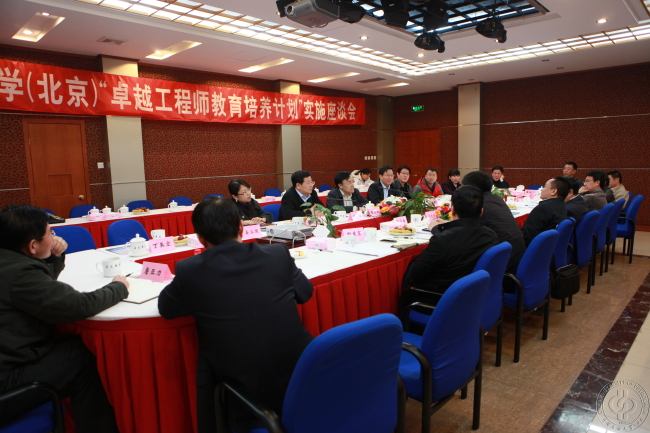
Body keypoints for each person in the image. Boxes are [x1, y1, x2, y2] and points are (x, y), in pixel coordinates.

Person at [158, 198, 313, 433]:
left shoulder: (190, 270)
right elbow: (305, 292)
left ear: (200, 238)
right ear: (241, 227)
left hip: (244, 394)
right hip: (302, 379)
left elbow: (167, 308)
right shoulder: (277, 254)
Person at [0, 205, 127, 432]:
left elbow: (41, 288)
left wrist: (53, 255)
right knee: (82, 354)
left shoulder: (9, 260)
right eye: (50, 233)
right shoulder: (19, 274)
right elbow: (78, 305)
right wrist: (118, 287)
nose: (54, 237)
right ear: (32, 245)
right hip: (7, 384)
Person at [406, 186, 498, 300]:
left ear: (452, 211)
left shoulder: (442, 241)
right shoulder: (490, 235)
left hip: (441, 299)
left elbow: (417, 273)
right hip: (474, 295)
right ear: (481, 212)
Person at [462, 171, 525, 273]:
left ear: (470, 189)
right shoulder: (497, 199)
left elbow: (465, 231)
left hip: (502, 265)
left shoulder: (477, 204)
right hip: (516, 258)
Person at [521, 177, 568, 246]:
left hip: (534, 248)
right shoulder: (562, 205)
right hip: (549, 247)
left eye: (545, 186)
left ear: (553, 191)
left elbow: (527, 236)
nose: (542, 189)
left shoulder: (543, 208)